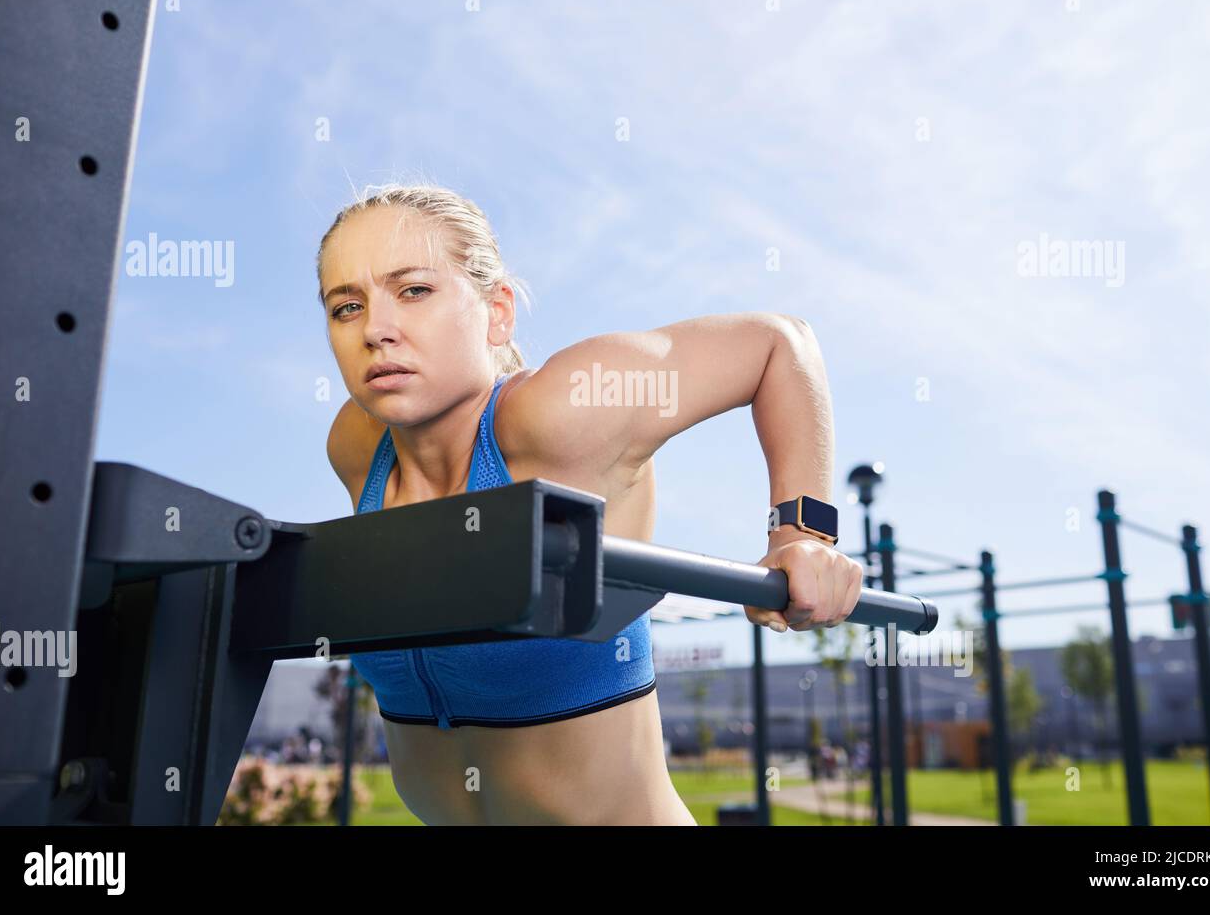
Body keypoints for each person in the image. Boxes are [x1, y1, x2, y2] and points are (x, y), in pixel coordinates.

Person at [319, 182, 865, 824]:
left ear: (497, 311)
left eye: (414, 290)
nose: (376, 331)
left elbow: (779, 343)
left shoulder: (565, 412)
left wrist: (801, 534)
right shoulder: (357, 446)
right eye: (346, 306)